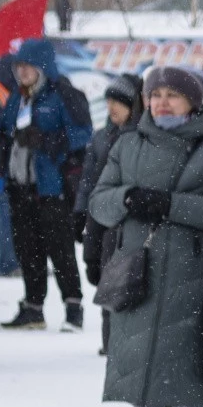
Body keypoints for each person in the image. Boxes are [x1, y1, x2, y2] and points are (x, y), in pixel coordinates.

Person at [88, 67, 203, 407]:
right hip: (137, 277)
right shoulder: (128, 144)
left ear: (192, 101)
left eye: (172, 95)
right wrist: (127, 199)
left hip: (189, 278)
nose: (161, 103)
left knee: (184, 374)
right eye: (154, 95)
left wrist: (171, 205)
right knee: (141, 369)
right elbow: (98, 202)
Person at [0, 37, 92, 332]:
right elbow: (5, 132)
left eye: (29, 66)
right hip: (20, 185)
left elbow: (83, 133)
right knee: (27, 249)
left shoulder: (62, 94)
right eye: (19, 66)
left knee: (60, 250)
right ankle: (33, 309)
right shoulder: (16, 97)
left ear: (43, 67)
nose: (22, 72)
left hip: (52, 188)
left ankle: (73, 308)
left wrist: (49, 141)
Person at [77, 72, 142, 330]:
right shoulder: (101, 137)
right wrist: (80, 211)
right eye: (109, 101)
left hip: (128, 226)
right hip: (102, 224)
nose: (111, 107)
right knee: (107, 288)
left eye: (119, 101)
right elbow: (89, 181)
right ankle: (109, 343)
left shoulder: (142, 139)